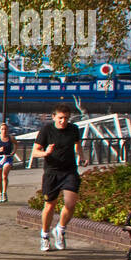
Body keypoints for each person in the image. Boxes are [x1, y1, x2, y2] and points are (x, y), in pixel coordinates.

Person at [32, 104, 88, 251]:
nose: (63, 121)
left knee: (70, 204)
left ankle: (60, 229)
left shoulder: (73, 129)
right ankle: (45, 235)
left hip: (69, 171)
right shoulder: (46, 130)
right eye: (60, 118)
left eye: (66, 118)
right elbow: (35, 152)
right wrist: (45, 153)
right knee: (50, 205)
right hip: (52, 172)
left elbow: (78, 145)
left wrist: (82, 157)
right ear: (54, 117)